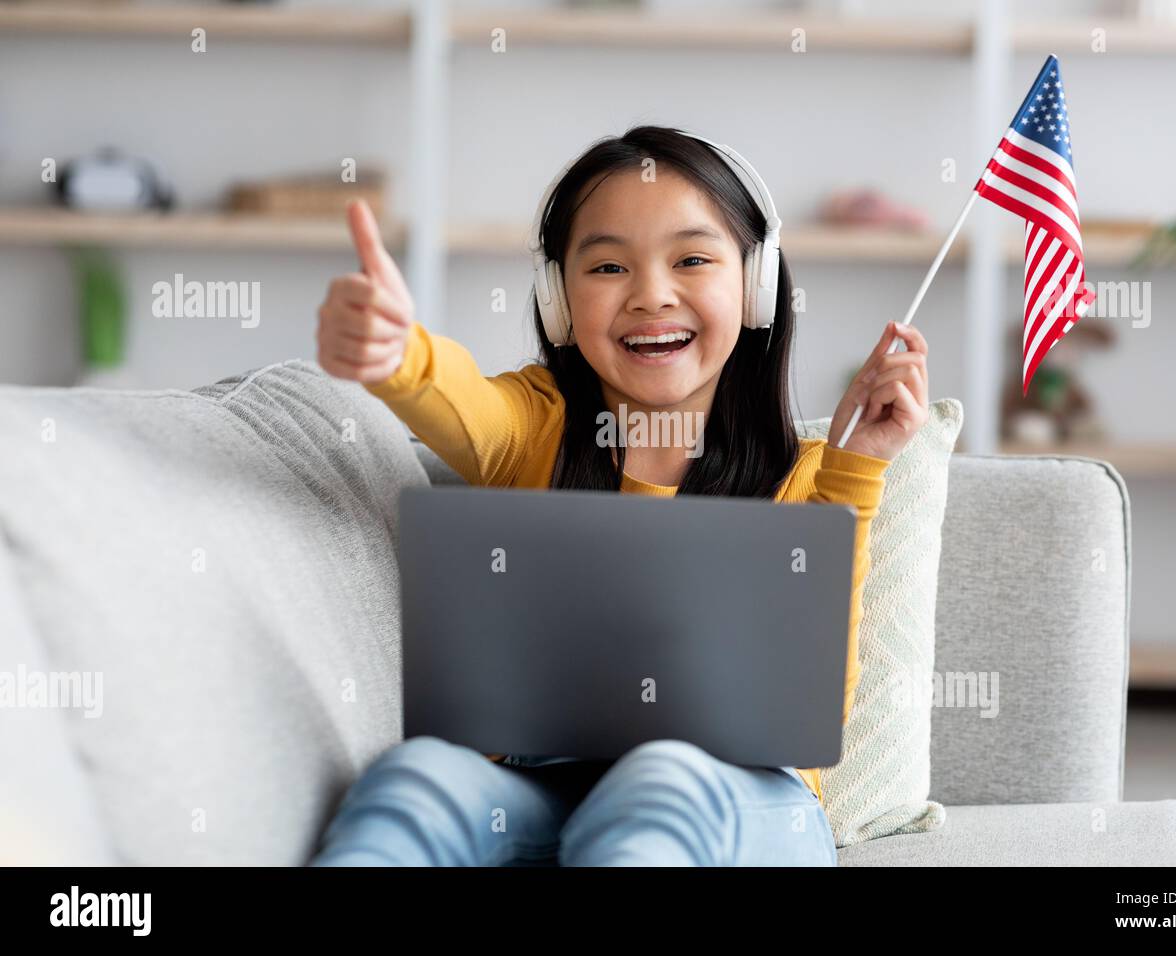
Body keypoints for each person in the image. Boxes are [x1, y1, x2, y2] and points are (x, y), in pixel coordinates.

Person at [310, 125, 929, 866]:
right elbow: (455, 396)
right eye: (607, 266)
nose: (651, 295)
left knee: (656, 779)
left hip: (739, 801)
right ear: (559, 298)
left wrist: (856, 470)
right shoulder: (533, 424)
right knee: (417, 779)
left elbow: (810, 705)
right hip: (549, 792)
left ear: (756, 285)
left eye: (693, 259)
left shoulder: (812, 474)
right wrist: (396, 352)